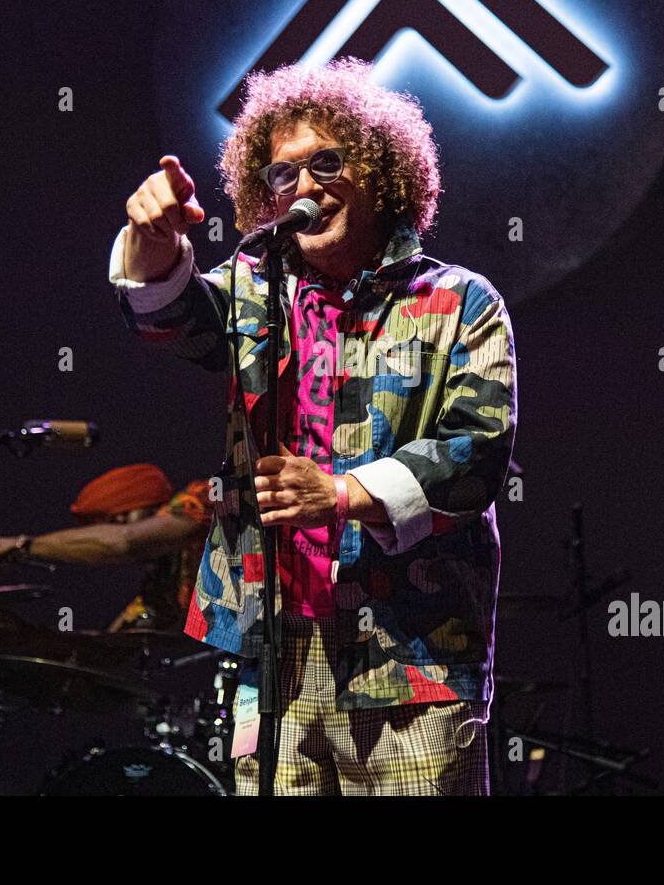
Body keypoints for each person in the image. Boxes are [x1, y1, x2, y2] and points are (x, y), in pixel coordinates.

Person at [109, 57, 517, 795]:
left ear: (381, 171)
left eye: (326, 162)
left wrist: (342, 494)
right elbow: (169, 317)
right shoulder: (256, 289)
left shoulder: (460, 301)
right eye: (282, 176)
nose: (302, 187)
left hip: (412, 659)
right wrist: (155, 236)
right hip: (277, 661)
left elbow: (476, 453)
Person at [0, 464, 213, 633]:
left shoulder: (204, 498)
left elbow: (126, 542)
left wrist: (21, 546)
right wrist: (27, 638)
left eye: (109, 525)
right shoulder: (163, 577)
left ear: (123, 517)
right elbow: (116, 645)